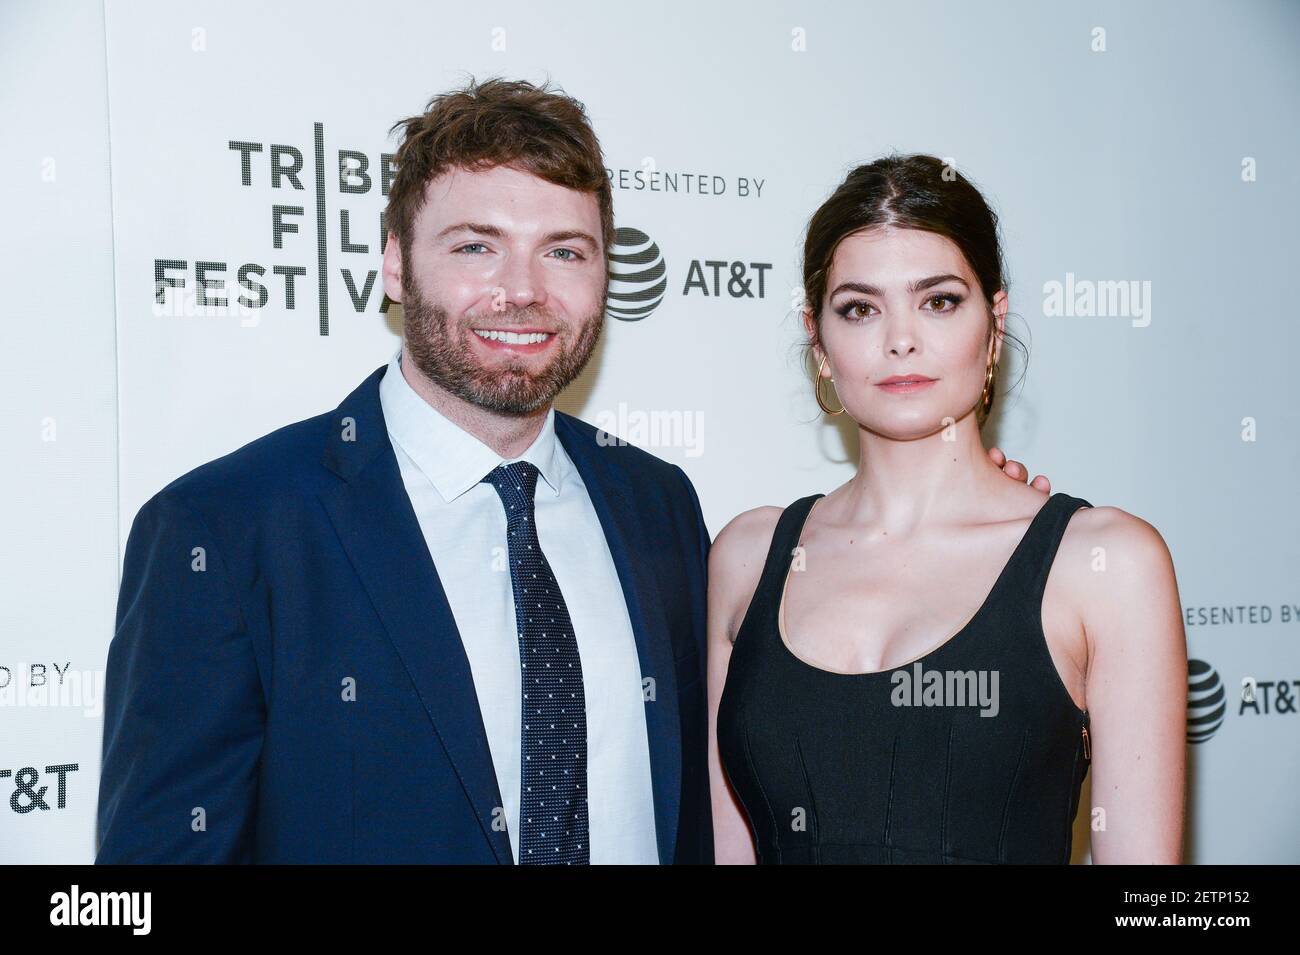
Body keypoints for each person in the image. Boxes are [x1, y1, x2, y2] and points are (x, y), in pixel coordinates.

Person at [96, 79, 1044, 865]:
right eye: (476, 246)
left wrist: (971, 516)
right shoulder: (224, 529)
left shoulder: (657, 506)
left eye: (564, 251)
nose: (522, 291)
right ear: (393, 265)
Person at [708, 154, 1187, 864]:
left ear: (994, 321)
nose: (901, 339)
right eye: (860, 308)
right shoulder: (748, 556)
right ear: (819, 341)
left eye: (938, 301)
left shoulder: (1104, 564)